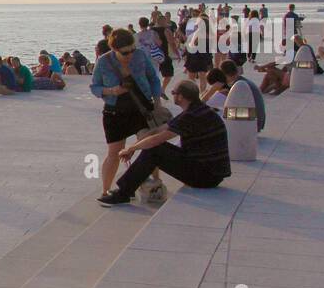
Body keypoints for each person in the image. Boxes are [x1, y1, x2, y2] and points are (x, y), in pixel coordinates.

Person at [98, 81, 231, 205]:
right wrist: (135, 147)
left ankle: (123, 193)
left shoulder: (191, 116)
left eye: (173, 93)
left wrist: (131, 148)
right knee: (155, 148)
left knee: (154, 151)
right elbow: (159, 130)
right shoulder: (199, 110)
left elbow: (159, 139)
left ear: (180, 97)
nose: (172, 95)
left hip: (206, 176)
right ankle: (128, 188)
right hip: (212, 173)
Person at [91, 28, 164, 197]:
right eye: (126, 52)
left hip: (141, 109)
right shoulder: (103, 62)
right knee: (114, 153)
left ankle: (155, 182)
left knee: (150, 146)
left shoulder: (140, 55)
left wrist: (157, 101)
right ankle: (105, 190)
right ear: (114, 49)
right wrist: (112, 91)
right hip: (115, 112)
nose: (131, 54)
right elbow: (94, 87)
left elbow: (153, 78)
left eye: (133, 49)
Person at [218, 60, 265, 132]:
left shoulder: (239, 85)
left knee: (220, 113)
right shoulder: (241, 81)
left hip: (253, 119)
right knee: (224, 111)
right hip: (256, 118)